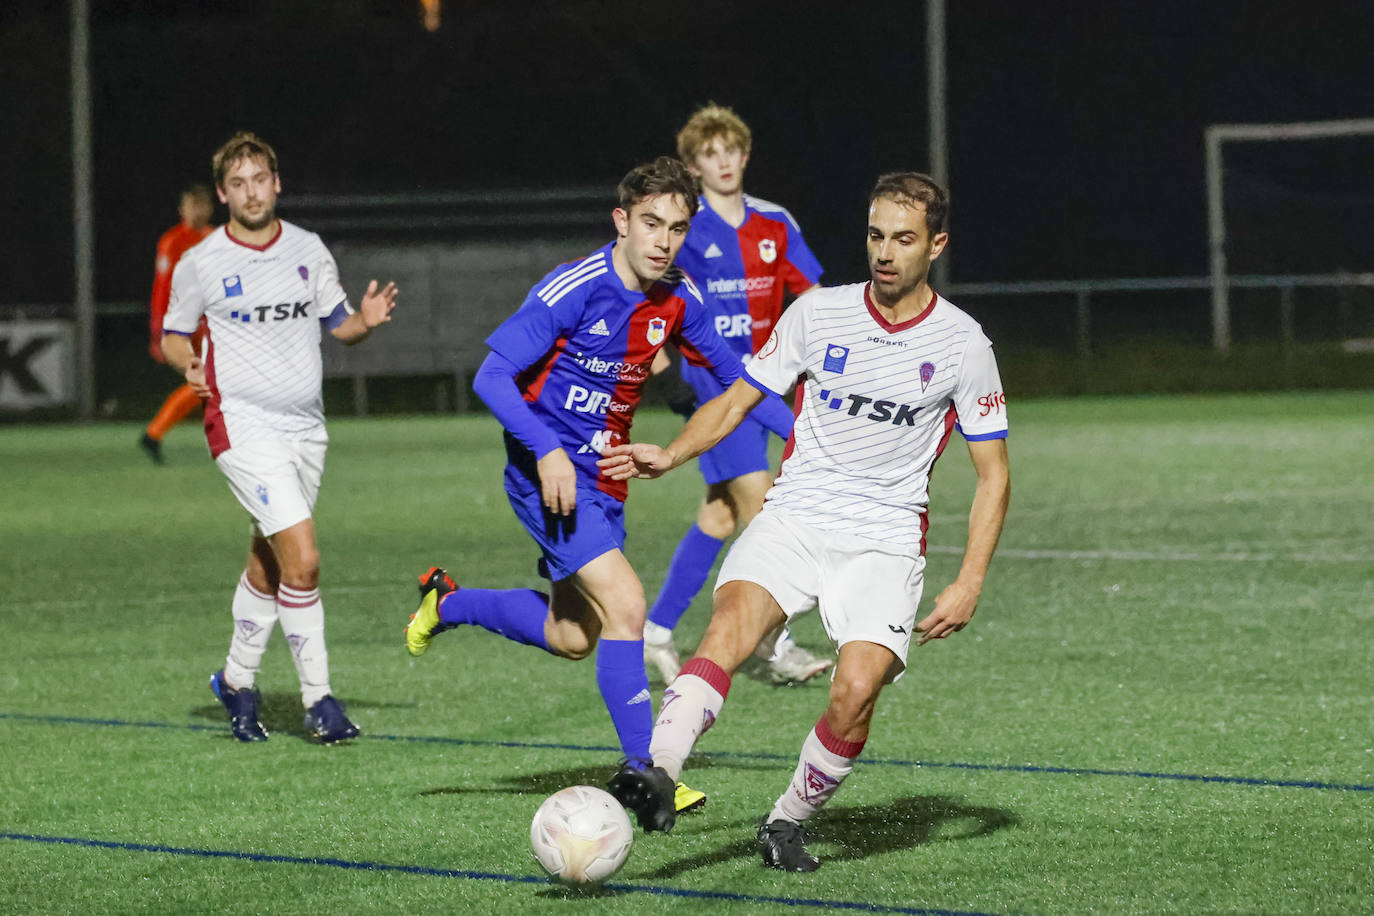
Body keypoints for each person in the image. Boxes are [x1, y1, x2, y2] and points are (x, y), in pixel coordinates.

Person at [598, 172, 1012, 864]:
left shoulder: (964, 345)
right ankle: (659, 772)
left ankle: (786, 820)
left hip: (884, 540)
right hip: (795, 516)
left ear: (936, 244)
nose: (884, 252)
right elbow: (737, 399)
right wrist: (670, 455)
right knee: (728, 631)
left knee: (854, 691)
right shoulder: (819, 315)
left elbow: (993, 474)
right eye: (876, 235)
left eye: (903, 239)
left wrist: (969, 581)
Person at [403, 156, 796, 832]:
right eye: (650, 224)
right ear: (622, 221)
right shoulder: (575, 287)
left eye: (676, 228)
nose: (662, 241)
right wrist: (548, 450)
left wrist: (806, 440)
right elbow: (493, 378)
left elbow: (740, 379)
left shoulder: (679, 296)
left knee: (572, 635)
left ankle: (450, 601)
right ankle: (650, 773)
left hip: (606, 479)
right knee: (627, 605)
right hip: (545, 477)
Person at [161, 132, 398, 744]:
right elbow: (172, 334)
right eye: (237, 184)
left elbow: (338, 325)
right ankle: (320, 702)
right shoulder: (202, 261)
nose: (250, 192)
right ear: (222, 194)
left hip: (306, 429)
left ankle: (238, 681)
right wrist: (186, 361)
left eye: (259, 179)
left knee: (270, 565)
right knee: (306, 559)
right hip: (241, 427)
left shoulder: (308, 250)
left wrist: (363, 324)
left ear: (277, 183)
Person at [644, 104, 831, 687]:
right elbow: (643, 298)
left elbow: (814, 298)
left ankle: (655, 631)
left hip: (766, 382)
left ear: (745, 157)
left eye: (731, 152)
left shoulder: (774, 222)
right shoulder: (684, 226)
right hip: (714, 387)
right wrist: (666, 374)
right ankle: (774, 645)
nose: (723, 162)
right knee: (767, 509)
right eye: (709, 154)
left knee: (721, 516)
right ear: (694, 165)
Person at [139, 183, 215, 464]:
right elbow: (161, 288)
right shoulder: (171, 242)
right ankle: (154, 434)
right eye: (191, 206)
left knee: (210, 383)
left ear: (209, 209)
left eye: (201, 205)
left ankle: (154, 434)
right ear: (182, 210)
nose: (197, 211)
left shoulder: (216, 239)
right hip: (181, 325)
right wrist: (158, 332)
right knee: (206, 380)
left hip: (209, 324)